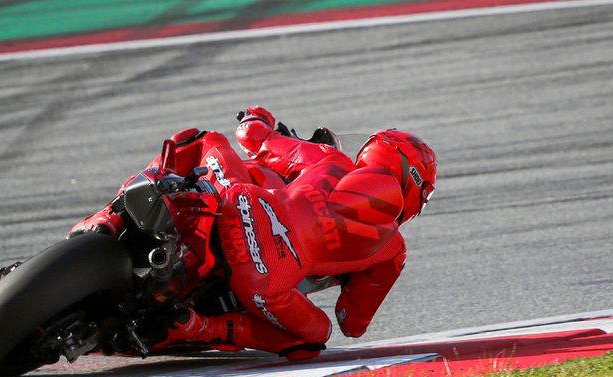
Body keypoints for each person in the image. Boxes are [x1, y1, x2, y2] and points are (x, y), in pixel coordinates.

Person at [71, 106, 436, 361]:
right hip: (269, 278)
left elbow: (255, 139)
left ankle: (107, 218)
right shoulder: (393, 250)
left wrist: (257, 117)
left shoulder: (330, 158)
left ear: (371, 151)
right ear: (414, 191)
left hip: (244, 208)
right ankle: (195, 326)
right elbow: (351, 323)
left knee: (200, 138)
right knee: (312, 339)